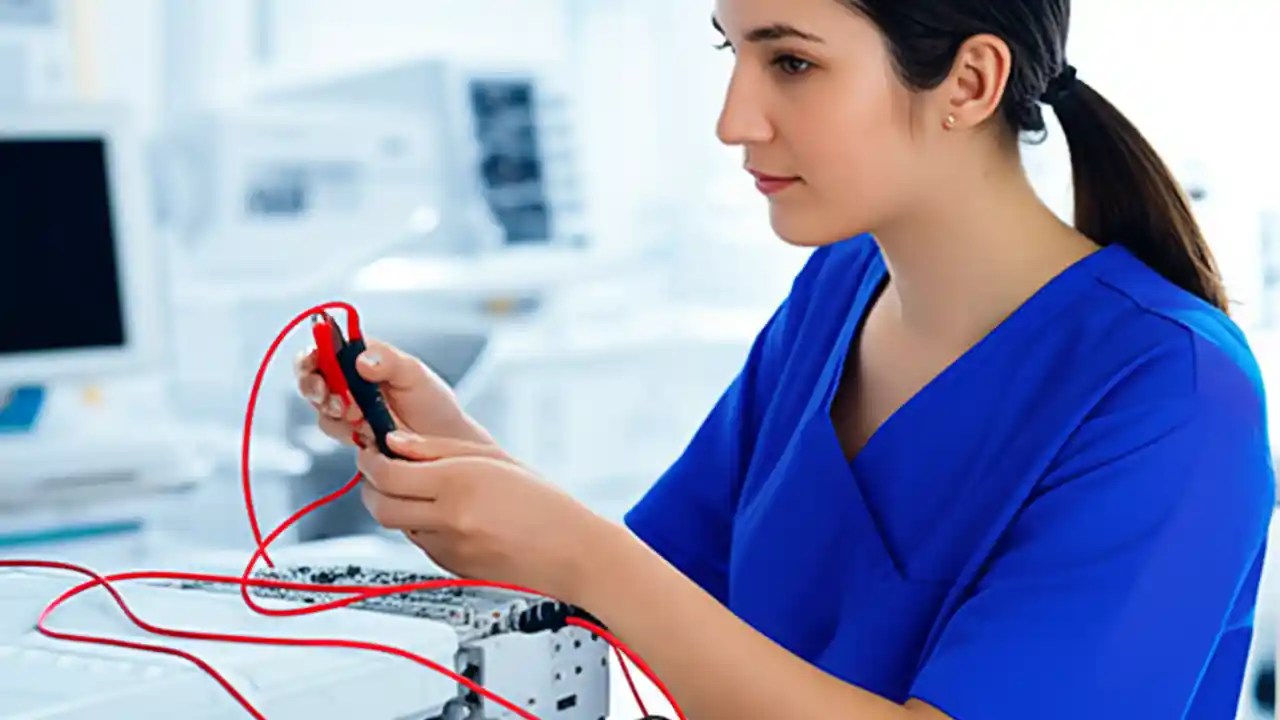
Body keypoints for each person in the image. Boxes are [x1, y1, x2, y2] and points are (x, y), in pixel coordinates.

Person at [295, 0, 1276, 717]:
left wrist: (576, 549)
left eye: (791, 64)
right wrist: (454, 456)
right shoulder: (836, 293)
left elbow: (614, 576)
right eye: (733, 53)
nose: (733, 119)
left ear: (967, 83)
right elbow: (654, 594)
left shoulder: (1170, 393)